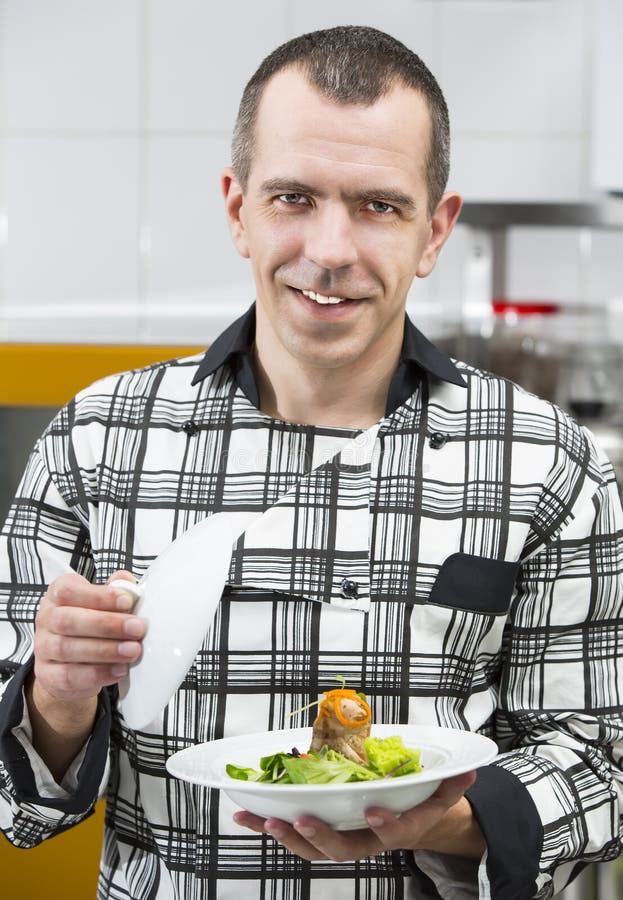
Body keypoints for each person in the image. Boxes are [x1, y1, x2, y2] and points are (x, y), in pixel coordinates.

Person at [0, 24, 622, 900]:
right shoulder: (95, 440)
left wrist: (440, 820)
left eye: (378, 205)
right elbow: (19, 806)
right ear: (236, 210)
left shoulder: (548, 462)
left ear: (435, 230)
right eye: (293, 197)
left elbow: (600, 759)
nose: (330, 251)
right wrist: (56, 699)